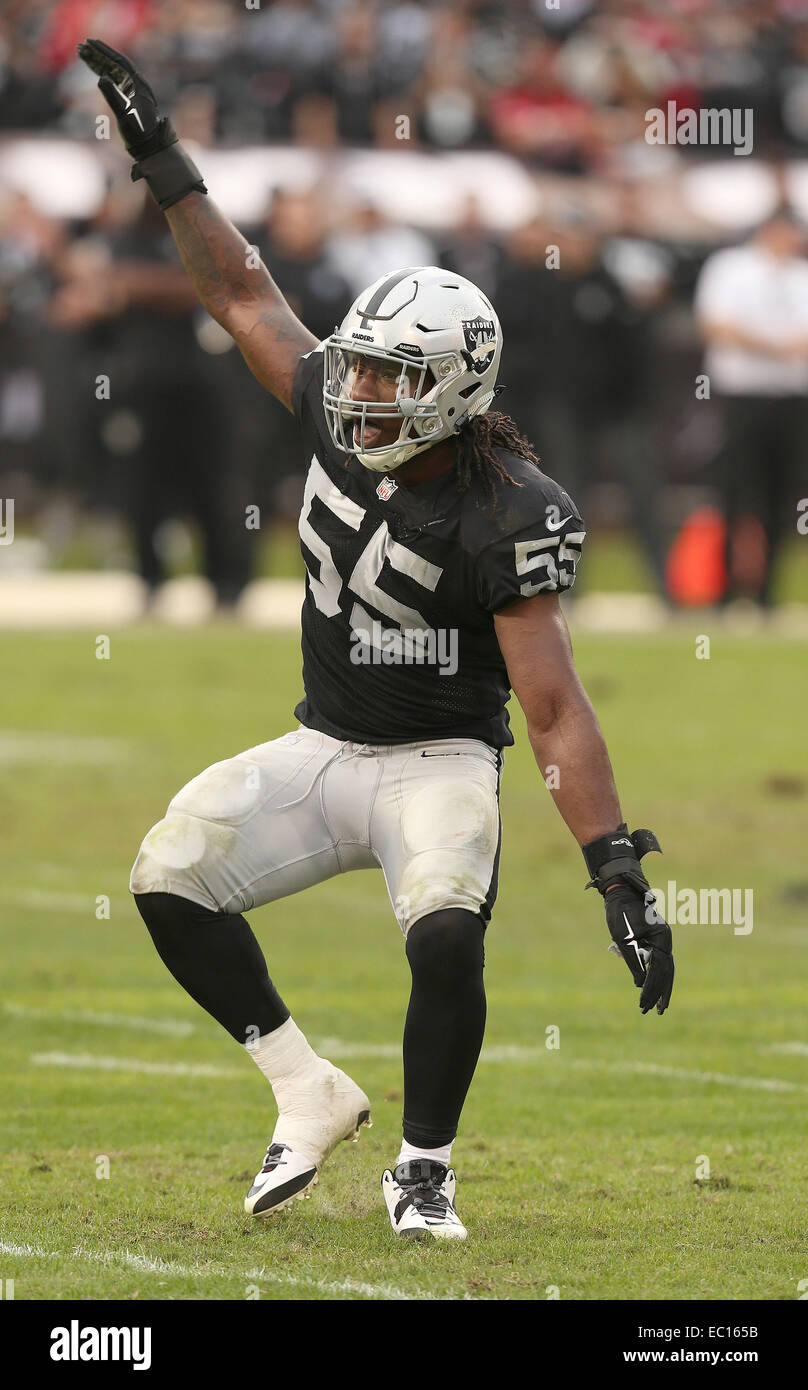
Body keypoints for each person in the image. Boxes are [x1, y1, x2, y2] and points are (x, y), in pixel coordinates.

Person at [79, 38, 674, 1242]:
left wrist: (614, 862)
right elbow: (242, 290)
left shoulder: (513, 510)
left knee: (447, 931)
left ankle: (424, 1167)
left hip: (439, 760)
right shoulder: (339, 412)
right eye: (359, 366)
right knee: (167, 872)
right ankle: (307, 1088)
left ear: (455, 389)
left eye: (392, 379)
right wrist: (164, 163)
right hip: (326, 745)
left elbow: (552, 706)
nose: (357, 393)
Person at [695, 208, 808, 608]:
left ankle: (766, 594)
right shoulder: (731, 267)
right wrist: (775, 347)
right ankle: (724, 591)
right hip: (741, 399)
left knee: (781, 495)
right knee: (734, 491)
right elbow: (716, 325)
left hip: (791, 400)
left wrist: (764, 344)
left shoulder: (801, 275)